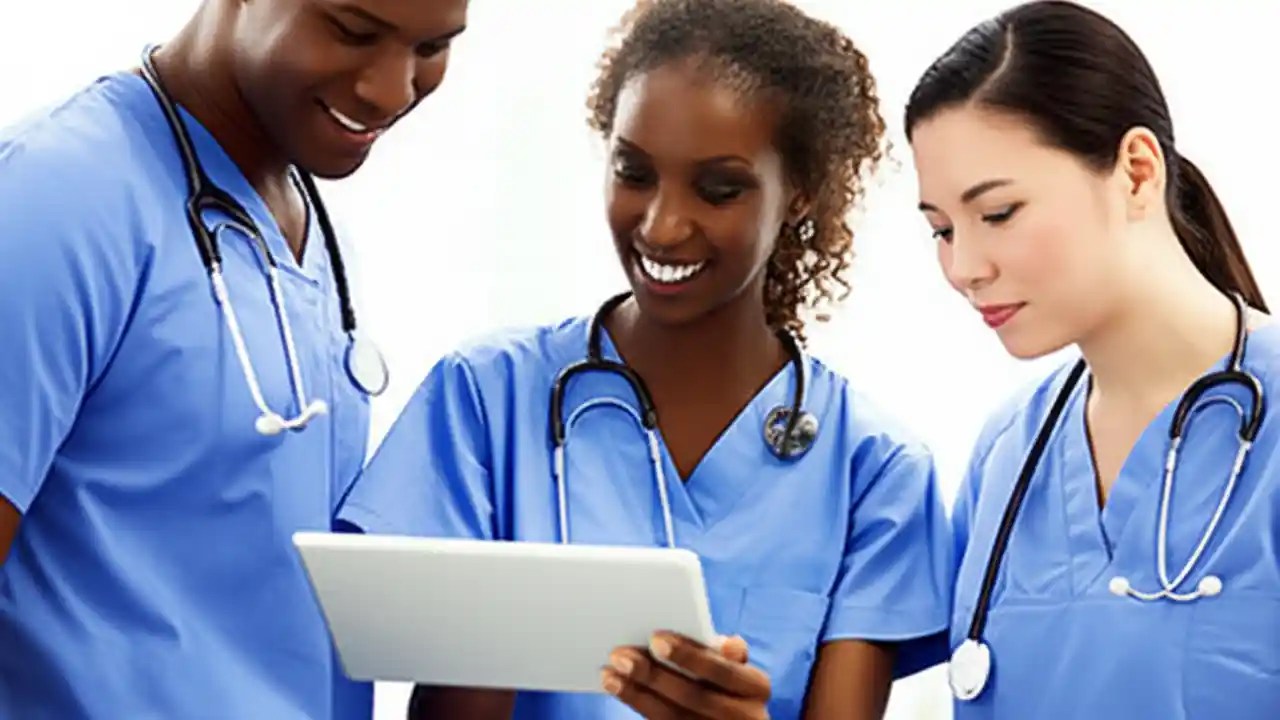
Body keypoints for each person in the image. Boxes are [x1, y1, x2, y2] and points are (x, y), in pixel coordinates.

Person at [336, 1, 952, 718]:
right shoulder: (485, 399)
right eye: (634, 173)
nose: (661, 226)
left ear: (800, 194)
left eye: (718, 189)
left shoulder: (874, 472)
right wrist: (501, 636)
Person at [0, 1, 468, 718]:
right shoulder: (58, 196)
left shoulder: (296, 217)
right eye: (352, 32)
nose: (390, 90)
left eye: (432, 47)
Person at [904, 1, 1279, 718]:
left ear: (1136, 172)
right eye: (942, 230)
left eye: (998, 214)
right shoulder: (1009, 451)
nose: (964, 267)